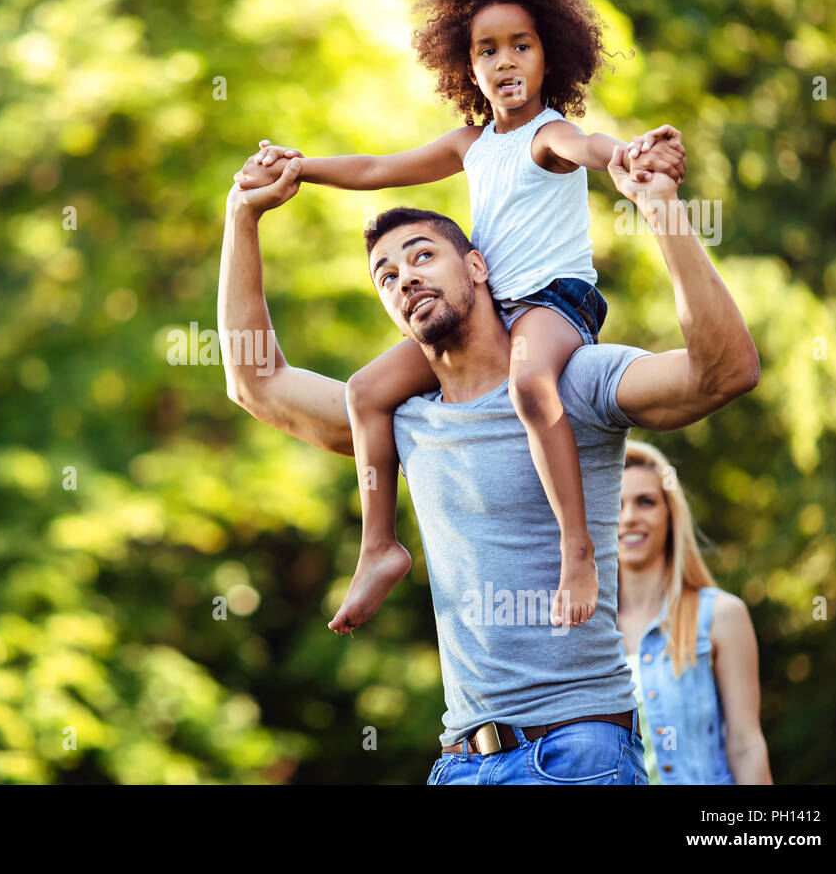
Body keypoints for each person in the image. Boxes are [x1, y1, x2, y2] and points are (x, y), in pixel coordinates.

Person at [218, 140, 759, 783]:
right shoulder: (402, 424)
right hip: (460, 762)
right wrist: (241, 216)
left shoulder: (574, 380)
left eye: (423, 256)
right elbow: (255, 382)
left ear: (477, 267)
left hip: (576, 752)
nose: (406, 277)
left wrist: (663, 212)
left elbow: (724, 372)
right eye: (387, 276)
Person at [236, 0, 686, 636]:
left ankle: (578, 551)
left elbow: (592, 149)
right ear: (465, 66)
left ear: (549, 56)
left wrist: (627, 158)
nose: (505, 62)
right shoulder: (469, 145)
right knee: (365, 392)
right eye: (487, 51)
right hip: (497, 306)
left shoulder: (548, 133)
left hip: (557, 301)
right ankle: (380, 547)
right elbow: (378, 167)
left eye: (521, 46)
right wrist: (302, 167)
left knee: (531, 385)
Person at [618, 440, 774, 783]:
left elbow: (746, 745)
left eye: (646, 502)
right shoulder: (585, 633)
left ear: (670, 515)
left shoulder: (721, 615)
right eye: (615, 503)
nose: (629, 517)